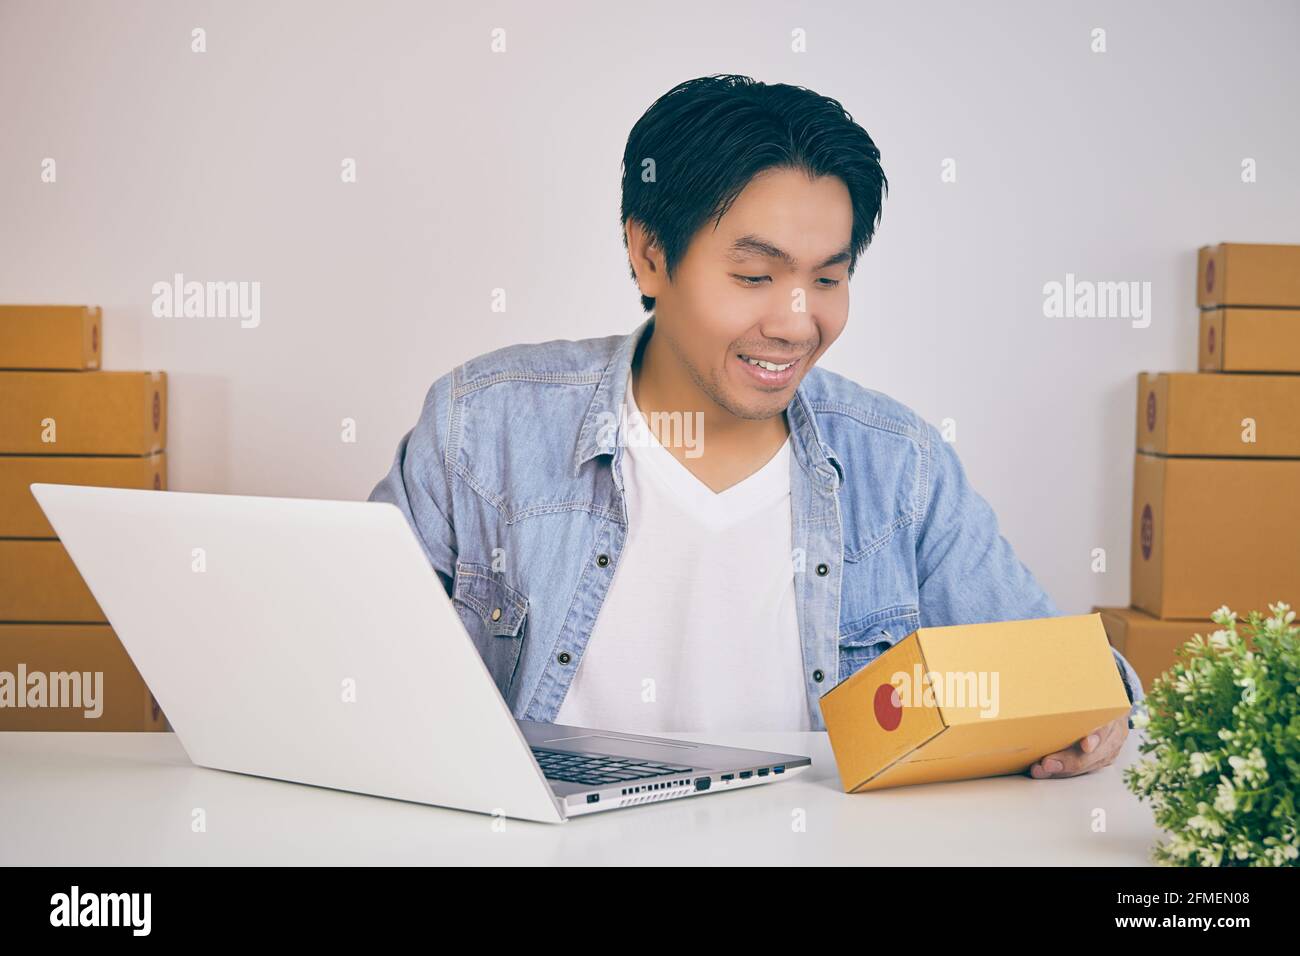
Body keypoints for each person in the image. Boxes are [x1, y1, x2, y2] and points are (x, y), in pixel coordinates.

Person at [370, 74, 1142, 780]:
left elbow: (1060, 675)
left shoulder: (898, 464)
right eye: (754, 277)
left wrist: (1099, 707)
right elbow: (358, 662)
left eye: (829, 279)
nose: (796, 322)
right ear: (648, 256)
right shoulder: (485, 424)